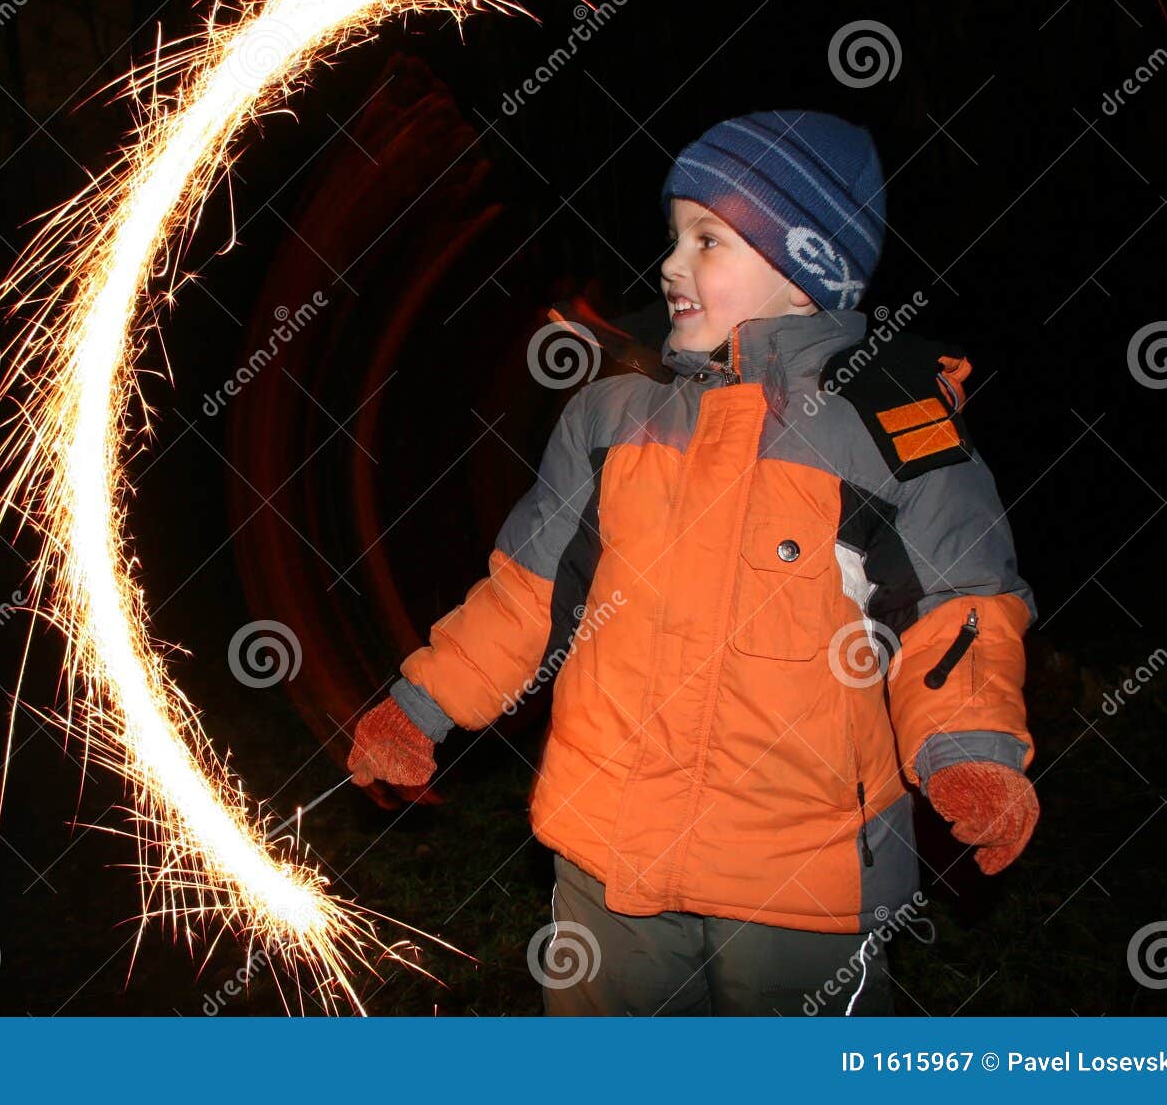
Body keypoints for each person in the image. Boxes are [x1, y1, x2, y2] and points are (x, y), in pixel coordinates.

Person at [347, 109, 1039, 1015]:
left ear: (806, 274)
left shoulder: (893, 427)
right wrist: (421, 705)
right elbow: (528, 592)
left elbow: (960, 610)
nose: (673, 264)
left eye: (709, 239)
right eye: (674, 236)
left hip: (800, 882)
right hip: (609, 861)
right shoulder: (612, 411)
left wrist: (970, 751)